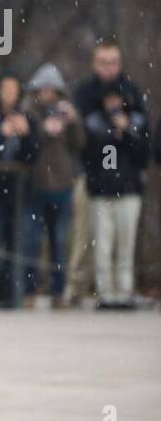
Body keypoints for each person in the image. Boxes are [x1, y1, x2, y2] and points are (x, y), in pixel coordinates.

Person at [75, 41, 150, 310]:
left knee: (125, 243)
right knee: (102, 244)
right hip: (99, 184)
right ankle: (105, 293)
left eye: (113, 62)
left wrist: (126, 131)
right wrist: (108, 135)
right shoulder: (84, 95)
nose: (108, 68)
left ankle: (124, 292)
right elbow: (83, 145)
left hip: (128, 185)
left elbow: (144, 147)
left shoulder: (134, 94)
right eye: (103, 62)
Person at [19, 63, 84, 307]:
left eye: (52, 90)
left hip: (62, 184)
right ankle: (29, 290)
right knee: (31, 241)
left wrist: (74, 121)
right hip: (36, 184)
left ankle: (58, 291)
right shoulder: (29, 111)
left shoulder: (66, 111)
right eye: (43, 89)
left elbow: (80, 144)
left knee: (59, 241)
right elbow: (28, 148)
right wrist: (44, 131)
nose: (47, 94)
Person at [0, 72, 33, 308]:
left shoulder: (25, 116)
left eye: (14, 90)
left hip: (20, 194)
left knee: (16, 246)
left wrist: (27, 134)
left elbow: (33, 156)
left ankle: (13, 294)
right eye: (6, 89)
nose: (10, 95)